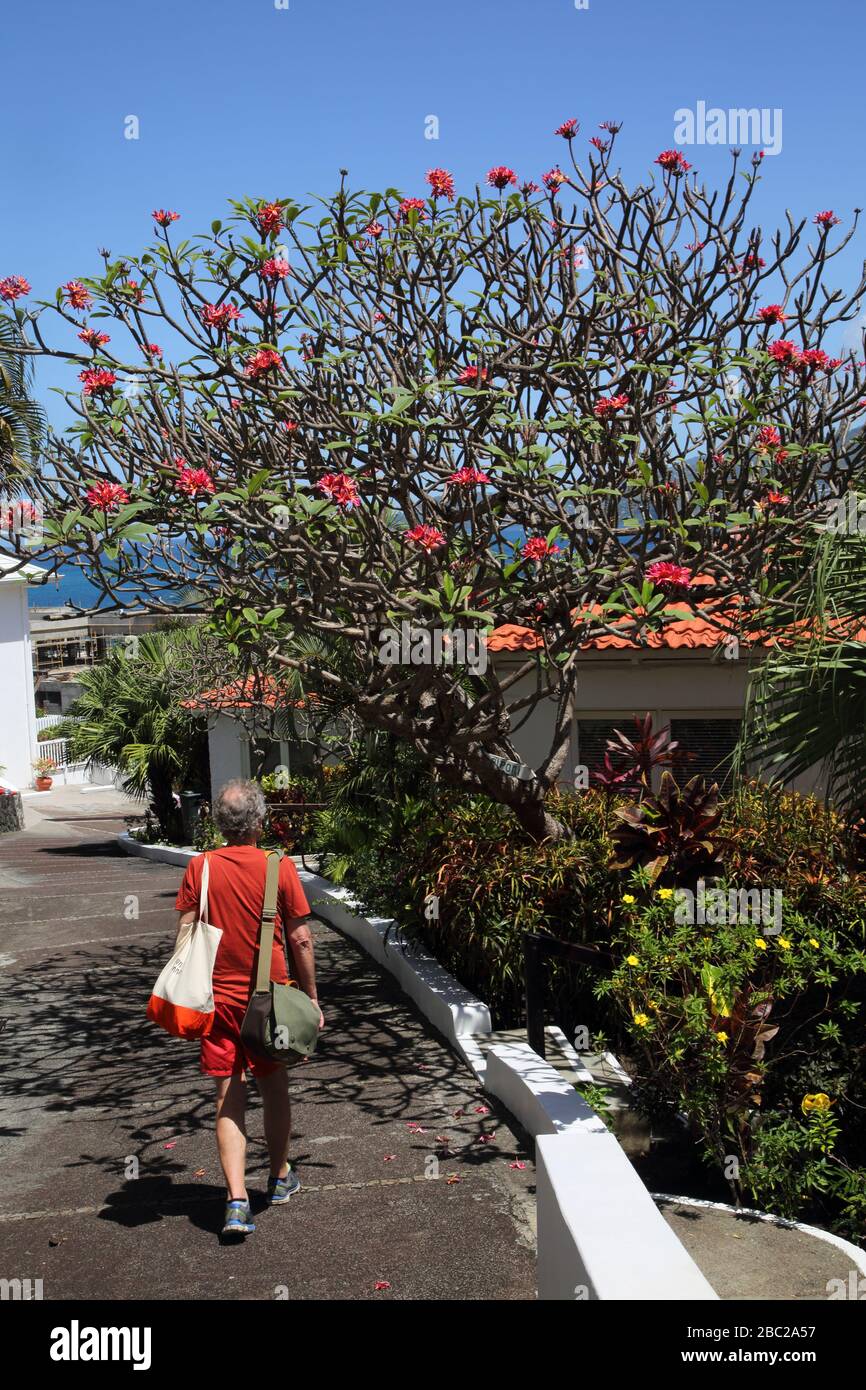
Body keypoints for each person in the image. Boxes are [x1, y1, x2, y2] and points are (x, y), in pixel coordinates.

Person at [174, 779, 323, 1237]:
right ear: (259, 822)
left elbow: (184, 934)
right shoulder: (278, 867)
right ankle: (279, 1178)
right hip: (269, 1002)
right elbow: (299, 937)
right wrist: (313, 998)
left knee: (227, 1096)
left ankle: (236, 1202)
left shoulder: (200, 868)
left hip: (216, 1000)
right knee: (274, 1088)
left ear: (220, 823)